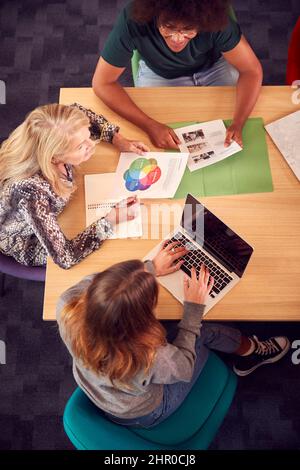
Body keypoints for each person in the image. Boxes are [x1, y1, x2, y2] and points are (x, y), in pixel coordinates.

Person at [56, 242, 290, 428]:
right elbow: (183, 368)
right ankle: (253, 353)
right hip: (149, 411)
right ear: (137, 322)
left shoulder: (67, 306)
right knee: (204, 329)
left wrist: (149, 269)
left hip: (109, 398)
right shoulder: (150, 357)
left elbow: (108, 288)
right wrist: (193, 307)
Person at [92, 0, 263, 150]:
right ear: (154, 14)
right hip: (160, 74)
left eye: (188, 29)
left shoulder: (216, 21)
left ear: (202, 21)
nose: (178, 38)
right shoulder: (132, 20)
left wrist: (238, 123)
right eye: (169, 27)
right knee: (155, 138)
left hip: (213, 67)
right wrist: (149, 125)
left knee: (237, 118)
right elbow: (102, 83)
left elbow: (251, 71)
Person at [0, 102, 149, 269]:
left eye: (88, 136)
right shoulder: (31, 193)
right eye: (80, 146)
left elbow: (81, 113)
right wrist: (110, 220)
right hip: (28, 240)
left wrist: (117, 139)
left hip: (52, 214)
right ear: (54, 157)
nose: (91, 145)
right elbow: (66, 257)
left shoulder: (54, 126)